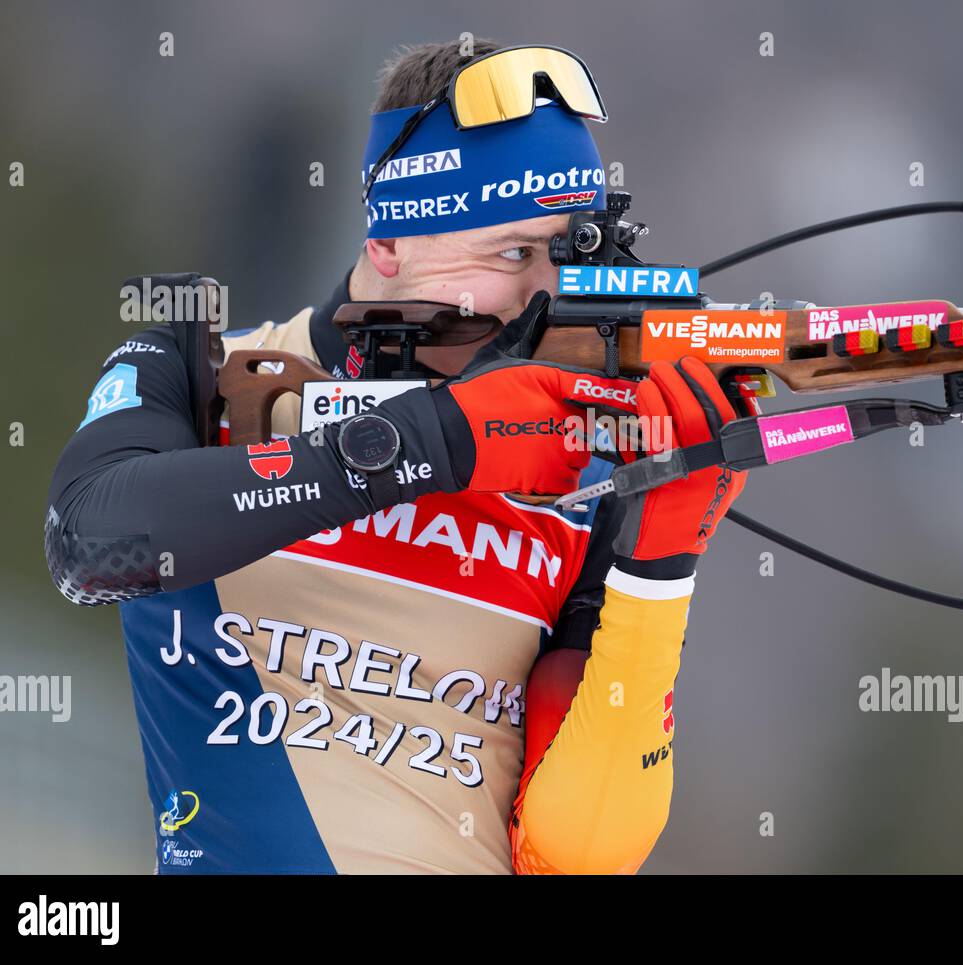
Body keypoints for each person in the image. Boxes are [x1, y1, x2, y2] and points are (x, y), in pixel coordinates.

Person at [44, 39, 745, 874]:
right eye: (512, 255)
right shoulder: (200, 371)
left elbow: (579, 852)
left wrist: (657, 574)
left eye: (568, 255)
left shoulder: (587, 472)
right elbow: (87, 542)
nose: (544, 297)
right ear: (388, 245)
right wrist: (427, 444)